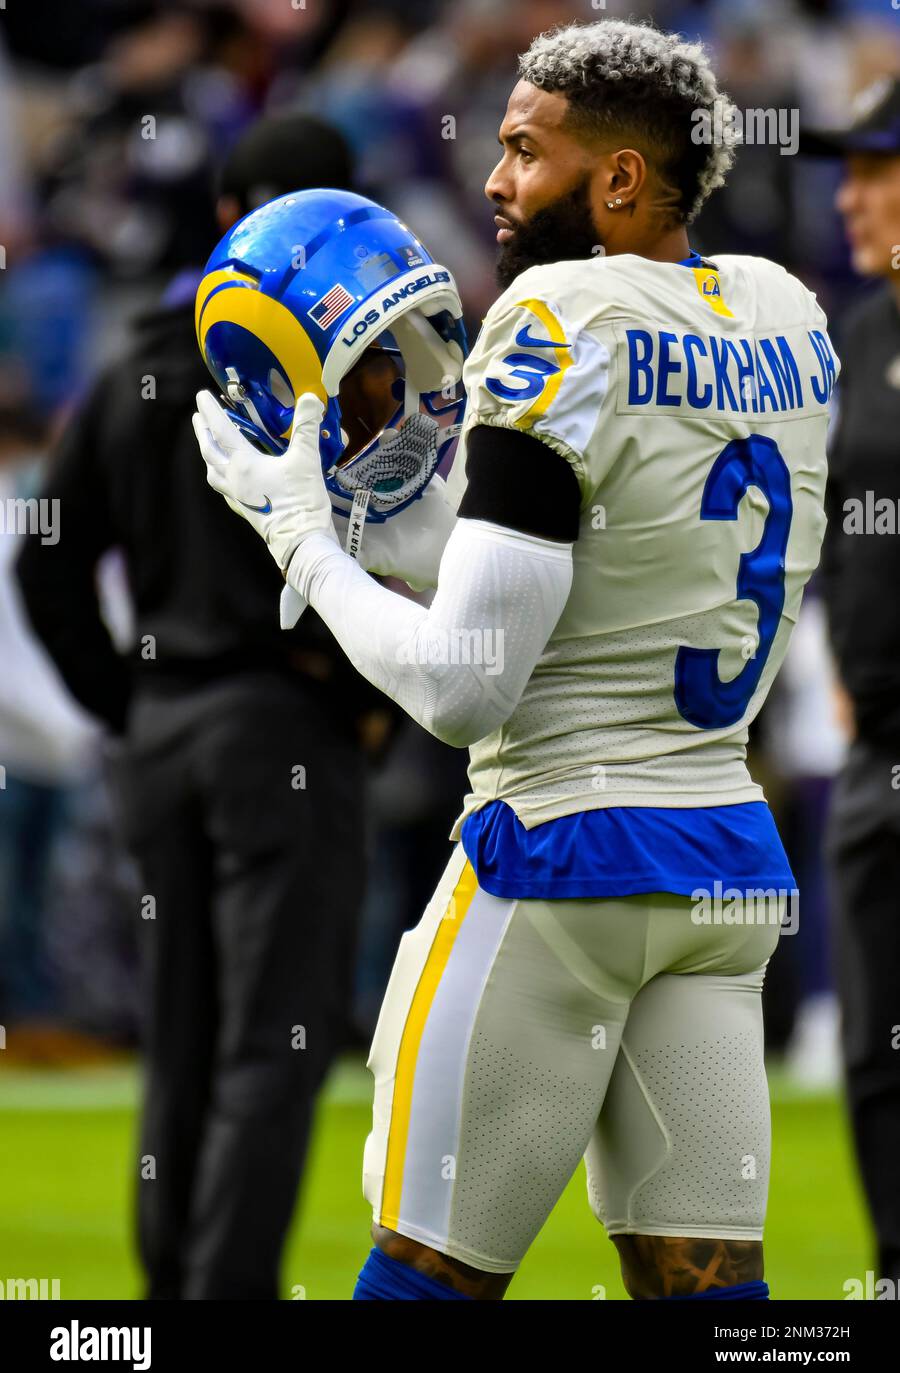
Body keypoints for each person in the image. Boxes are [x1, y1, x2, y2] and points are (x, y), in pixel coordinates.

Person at [195, 19, 837, 1301]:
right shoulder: (786, 312)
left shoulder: (556, 315)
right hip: (723, 862)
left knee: (427, 1273)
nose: (493, 181)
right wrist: (417, 522)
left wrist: (309, 546)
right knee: (707, 1289)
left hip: (558, 855)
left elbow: (466, 683)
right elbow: (618, 569)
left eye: (523, 149)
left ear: (617, 181)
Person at [16, 114, 390, 1300]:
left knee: (175, 1041)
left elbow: (44, 558)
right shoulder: (347, 363)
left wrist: (124, 702)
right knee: (270, 1046)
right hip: (283, 728)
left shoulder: (139, 355)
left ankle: (168, 1296)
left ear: (230, 211)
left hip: (165, 729)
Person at [804, 76, 900, 1285]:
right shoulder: (866, 328)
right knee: (878, 1043)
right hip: (875, 737)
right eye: (849, 171)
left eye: (879, 170)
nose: (851, 196)